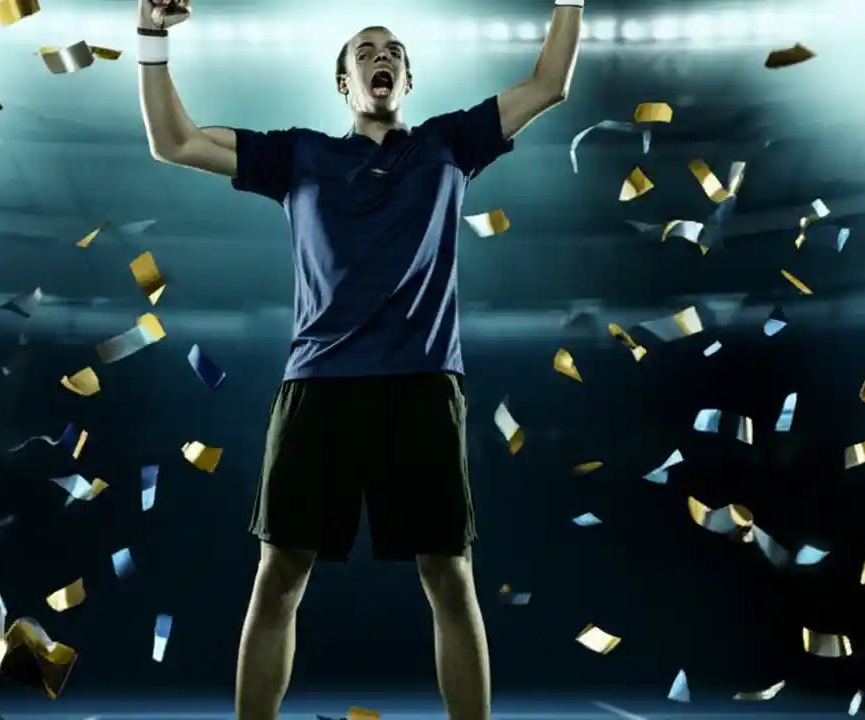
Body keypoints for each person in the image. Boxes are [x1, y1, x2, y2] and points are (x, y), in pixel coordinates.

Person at [134, 1, 582, 718]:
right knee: (278, 572)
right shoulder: (299, 155)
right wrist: (151, 34)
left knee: (450, 575)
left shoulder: (450, 143)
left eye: (394, 51)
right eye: (366, 51)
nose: (382, 56)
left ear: (406, 77)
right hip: (320, 387)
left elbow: (550, 82)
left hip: (425, 386)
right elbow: (174, 141)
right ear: (344, 83)